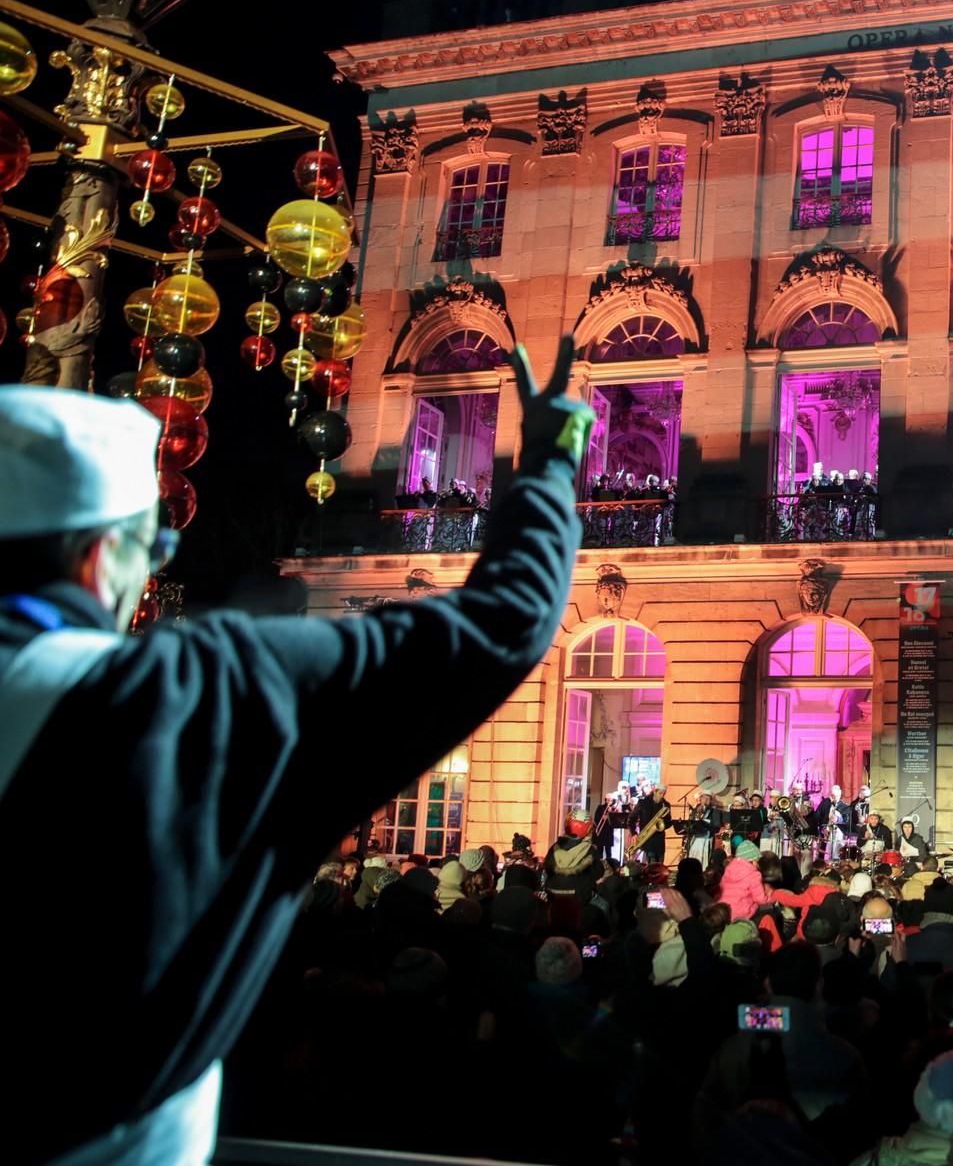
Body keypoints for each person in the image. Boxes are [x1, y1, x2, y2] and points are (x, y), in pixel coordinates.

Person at [0, 343, 591, 1164]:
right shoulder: (197, 692)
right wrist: (552, 461)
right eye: (153, 548)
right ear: (100, 552)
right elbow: (500, 624)